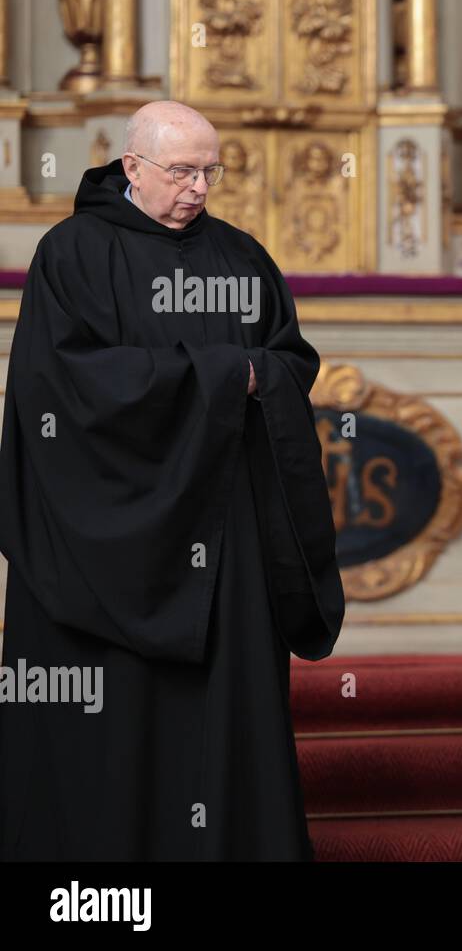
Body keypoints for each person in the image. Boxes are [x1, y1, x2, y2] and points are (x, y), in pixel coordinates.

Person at [0, 101, 345, 860]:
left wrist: (258, 377)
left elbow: (288, 361)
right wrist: (224, 376)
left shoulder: (243, 257)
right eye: (181, 171)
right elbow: (61, 388)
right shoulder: (73, 254)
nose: (197, 188)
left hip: (223, 539)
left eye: (209, 172)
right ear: (132, 168)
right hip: (104, 543)